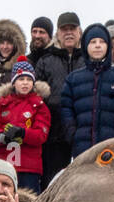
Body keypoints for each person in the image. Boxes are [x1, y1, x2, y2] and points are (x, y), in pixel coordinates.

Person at [61, 24, 114, 158]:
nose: (98, 45)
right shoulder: (73, 79)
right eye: (93, 42)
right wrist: (73, 134)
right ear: (85, 46)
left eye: (102, 42)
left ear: (108, 46)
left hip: (111, 147)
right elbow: (66, 109)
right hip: (82, 148)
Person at [35, 13, 86, 188]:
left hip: (83, 132)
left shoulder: (89, 58)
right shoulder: (46, 60)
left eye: (72, 29)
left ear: (80, 31)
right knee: (53, 183)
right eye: (64, 29)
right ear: (57, 33)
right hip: (54, 134)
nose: (69, 33)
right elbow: (37, 98)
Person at [0, 58, 51, 189]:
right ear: (14, 82)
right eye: (21, 79)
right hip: (6, 166)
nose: (25, 83)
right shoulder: (4, 104)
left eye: (29, 80)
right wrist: (2, 137)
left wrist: (23, 133)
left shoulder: (39, 106)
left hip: (30, 167)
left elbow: (41, 135)